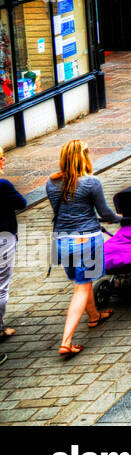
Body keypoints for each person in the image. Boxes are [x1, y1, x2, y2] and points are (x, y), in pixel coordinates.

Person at [47, 139, 120, 356]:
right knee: (81, 288)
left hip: (60, 241)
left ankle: (94, 316)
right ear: (84, 157)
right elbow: (105, 213)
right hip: (86, 239)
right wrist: (119, 218)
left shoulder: (51, 182)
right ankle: (66, 341)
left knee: (82, 282)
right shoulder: (91, 182)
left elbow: (60, 210)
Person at [0, 147, 25, 355]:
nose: (3, 160)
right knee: (1, 285)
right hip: (3, 238)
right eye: (1, 158)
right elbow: (21, 203)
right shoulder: (3, 185)